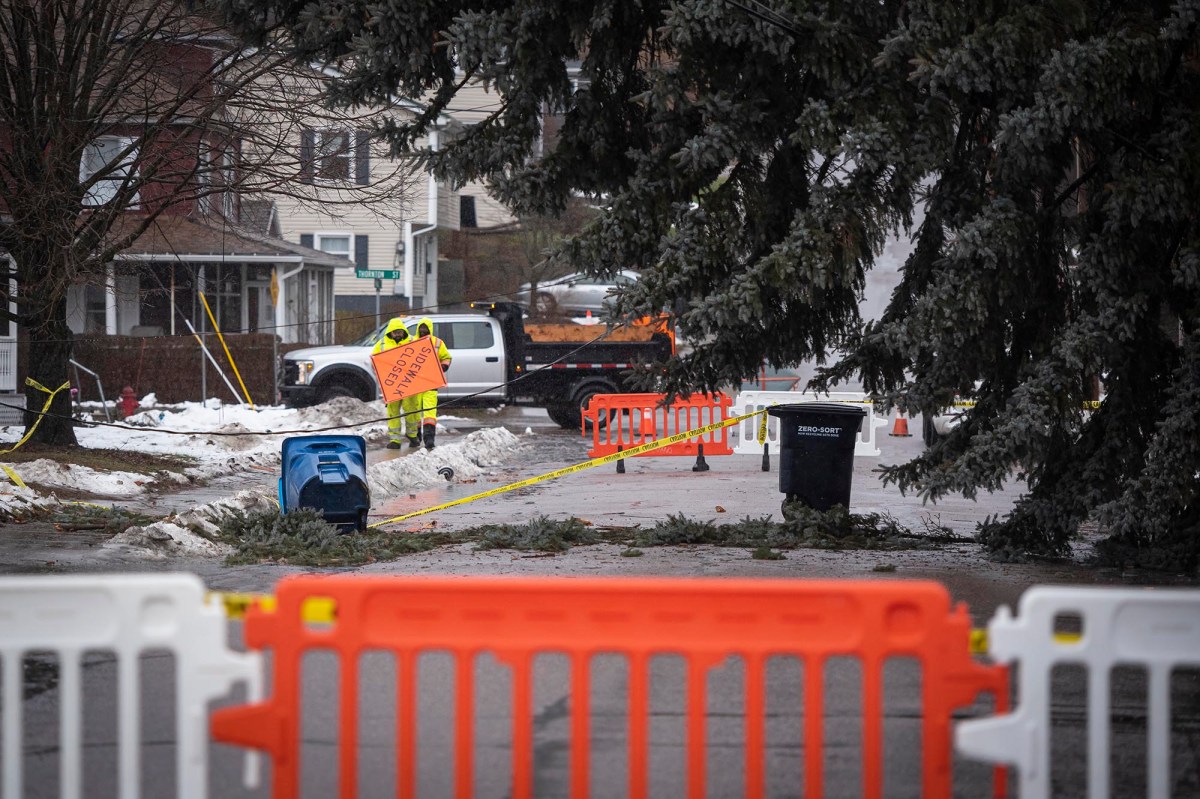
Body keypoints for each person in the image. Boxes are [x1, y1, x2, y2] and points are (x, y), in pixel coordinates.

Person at [371, 318, 421, 449]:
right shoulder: (381, 344)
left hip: (409, 383)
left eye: (399, 331)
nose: (397, 334)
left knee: (411, 410)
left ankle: (413, 436)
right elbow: (374, 361)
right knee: (393, 412)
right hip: (391, 385)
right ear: (390, 333)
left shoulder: (412, 341)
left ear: (403, 331)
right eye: (395, 332)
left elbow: (421, 359)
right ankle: (395, 440)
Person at [412, 317, 452, 449]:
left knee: (429, 413)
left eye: (425, 328)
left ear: (430, 328)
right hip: (415, 384)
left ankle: (429, 439)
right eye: (421, 328)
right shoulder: (411, 342)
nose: (423, 330)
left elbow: (446, 357)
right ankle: (416, 437)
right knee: (415, 412)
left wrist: (443, 366)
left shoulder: (438, 343)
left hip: (430, 383)